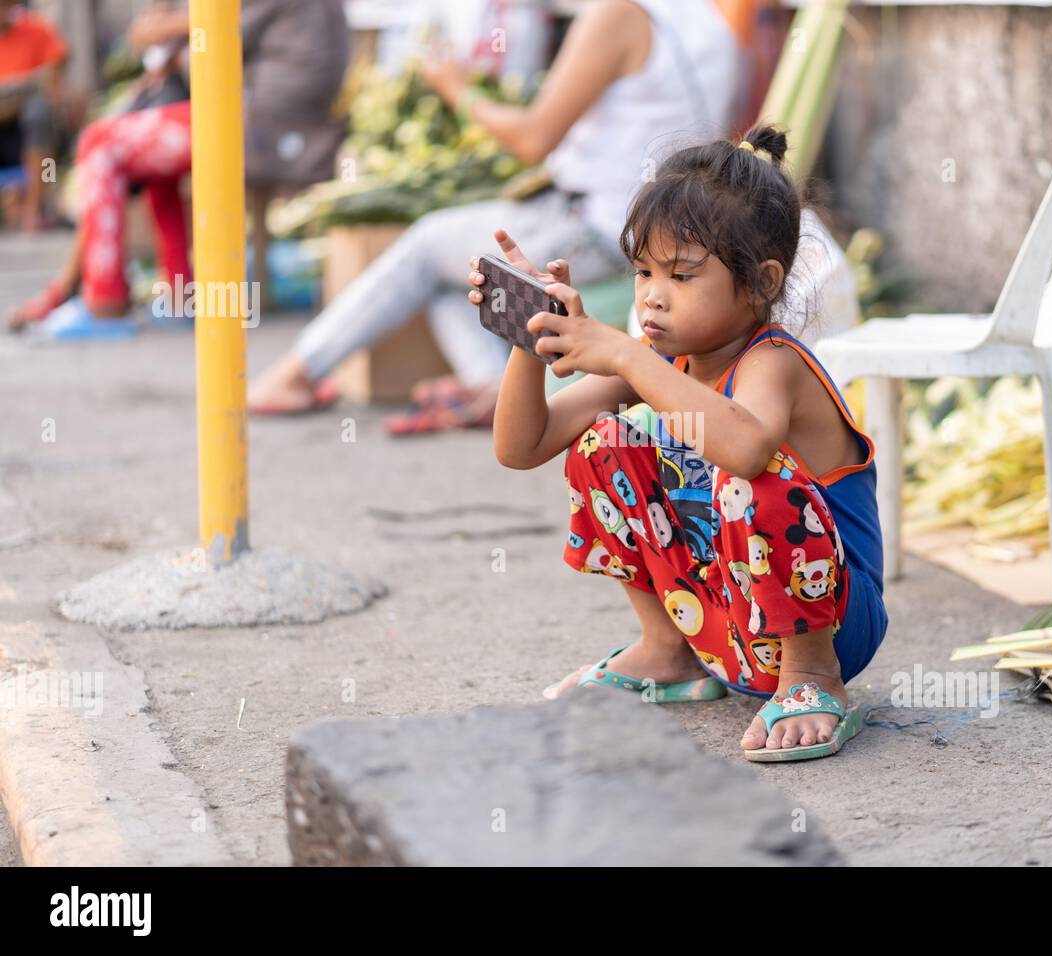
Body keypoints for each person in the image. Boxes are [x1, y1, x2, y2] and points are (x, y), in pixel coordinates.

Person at [471, 125, 889, 760]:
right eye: (642, 271)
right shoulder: (664, 364)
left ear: (763, 281)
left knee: (749, 472)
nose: (651, 296)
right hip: (724, 622)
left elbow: (746, 451)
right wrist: (532, 339)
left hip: (833, 624)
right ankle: (668, 651)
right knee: (601, 442)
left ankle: (812, 680)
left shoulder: (772, 362)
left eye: (681, 275)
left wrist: (624, 358)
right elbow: (523, 446)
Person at [248, 0, 744, 426]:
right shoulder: (711, 22)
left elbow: (532, 137)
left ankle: (296, 373)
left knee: (426, 244)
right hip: (667, 232)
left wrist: (454, 87)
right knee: (458, 275)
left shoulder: (619, 14)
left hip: (600, 228)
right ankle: (493, 390)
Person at [7, 0, 349, 336]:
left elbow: (214, 28)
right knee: (152, 161)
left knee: (100, 141)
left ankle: (104, 299)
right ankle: (178, 293)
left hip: (260, 126)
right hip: (275, 122)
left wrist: (162, 30)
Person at [0, 0, 69, 232]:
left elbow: (55, 73)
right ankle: (14, 200)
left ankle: (37, 206)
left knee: (41, 116)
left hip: (39, 139)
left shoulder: (36, 29)